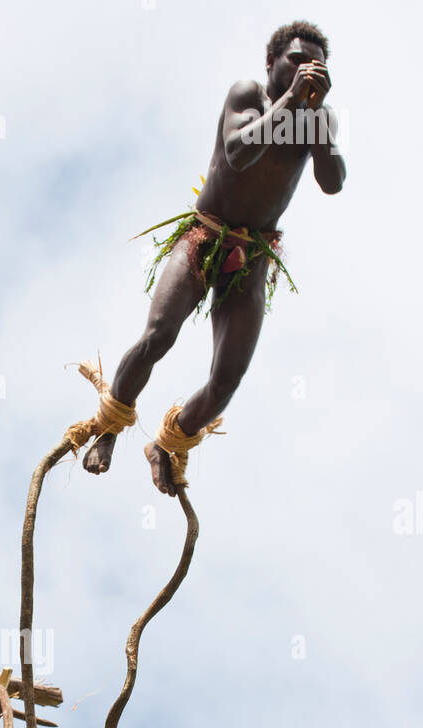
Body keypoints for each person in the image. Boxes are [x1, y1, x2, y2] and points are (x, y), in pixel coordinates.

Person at [81, 22, 346, 494]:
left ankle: (169, 442)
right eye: (296, 59)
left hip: (253, 256)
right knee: (158, 336)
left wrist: (319, 120)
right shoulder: (249, 95)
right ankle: (108, 428)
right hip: (206, 235)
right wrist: (291, 104)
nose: (307, 68)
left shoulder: (316, 121)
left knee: (227, 379)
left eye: (317, 65)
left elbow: (333, 181)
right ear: (271, 64)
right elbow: (239, 152)